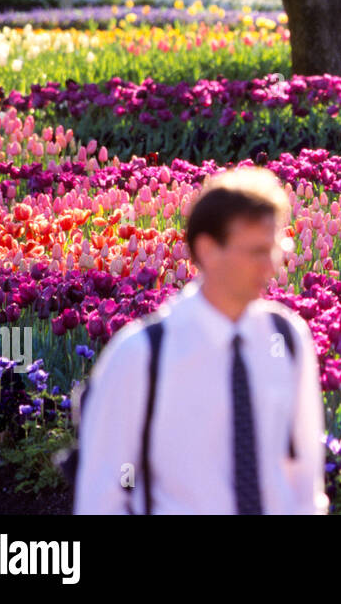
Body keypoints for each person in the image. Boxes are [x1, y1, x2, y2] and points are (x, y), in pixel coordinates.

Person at [73, 167, 327, 514]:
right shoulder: (142, 356)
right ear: (208, 249)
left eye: (275, 249)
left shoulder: (287, 338)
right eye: (255, 252)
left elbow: (305, 479)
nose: (269, 267)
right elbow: (105, 494)